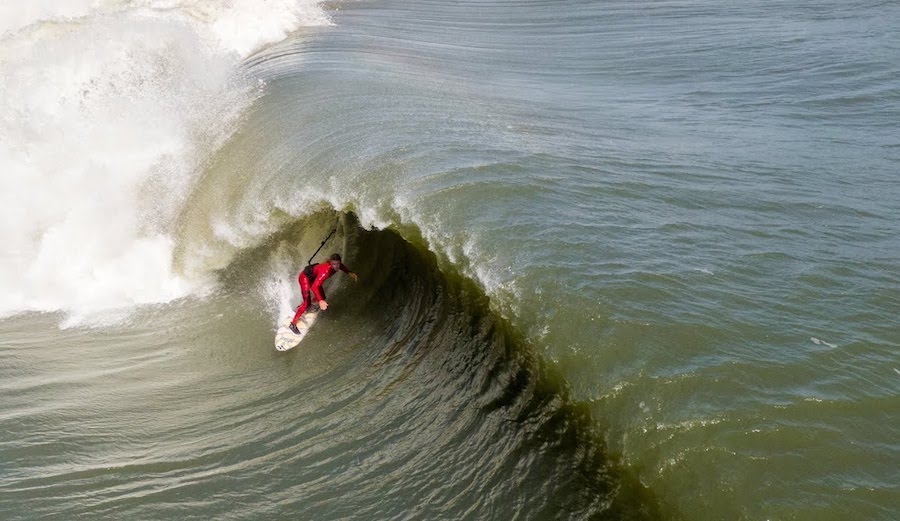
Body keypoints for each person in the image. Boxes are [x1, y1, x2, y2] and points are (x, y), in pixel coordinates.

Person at [289, 253, 358, 334]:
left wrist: (349, 272)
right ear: (331, 263)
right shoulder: (326, 272)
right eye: (334, 264)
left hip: (312, 277)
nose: (336, 266)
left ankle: (306, 305)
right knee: (308, 303)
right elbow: (315, 287)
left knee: (321, 296)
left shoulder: (336, 265)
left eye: (338, 264)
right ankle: (293, 324)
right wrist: (321, 301)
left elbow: (341, 266)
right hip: (305, 278)